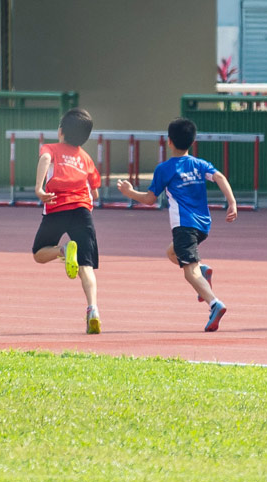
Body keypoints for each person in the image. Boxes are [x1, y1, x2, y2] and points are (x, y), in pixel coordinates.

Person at [117, 118, 238, 331]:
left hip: (184, 225)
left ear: (169, 141)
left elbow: (150, 199)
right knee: (172, 252)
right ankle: (203, 270)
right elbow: (219, 177)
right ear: (192, 141)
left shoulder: (165, 169)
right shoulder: (199, 164)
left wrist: (129, 192)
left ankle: (214, 303)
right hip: (203, 226)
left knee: (189, 271)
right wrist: (232, 202)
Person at [31, 107, 104, 333]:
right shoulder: (86, 159)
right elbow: (95, 192)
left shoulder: (50, 148)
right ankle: (93, 310)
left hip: (57, 207)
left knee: (39, 253)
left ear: (60, 131)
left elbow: (45, 158)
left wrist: (39, 188)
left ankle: (62, 251)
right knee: (86, 266)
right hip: (82, 211)